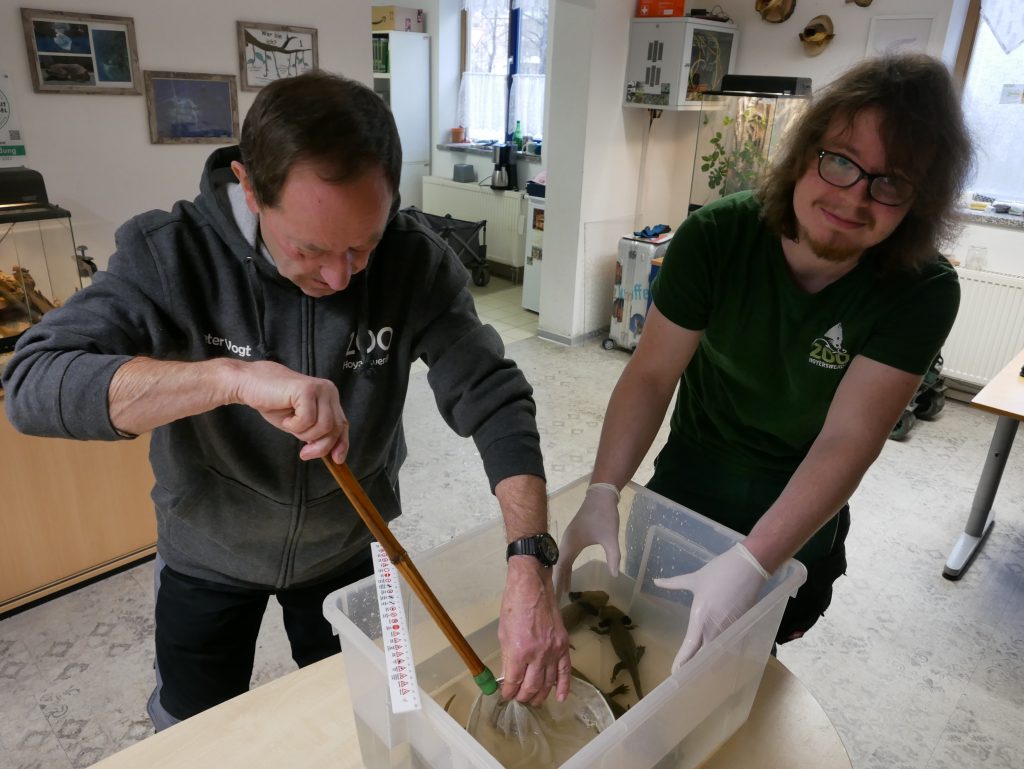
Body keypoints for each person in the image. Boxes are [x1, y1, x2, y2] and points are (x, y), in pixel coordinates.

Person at [3, 71, 570, 728]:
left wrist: (529, 558)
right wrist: (231, 379)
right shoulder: (171, 254)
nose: (339, 277)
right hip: (207, 550)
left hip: (351, 545)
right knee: (193, 728)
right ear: (250, 188)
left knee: (372, 714)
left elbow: (495, 396)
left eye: (363, 245)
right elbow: (33, 381)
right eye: (310, 248)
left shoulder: (414, 259)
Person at [553, 53, 974, 670]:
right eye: (841, 161)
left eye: (892, 182)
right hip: (685, 492)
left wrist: (755, 560)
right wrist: (603, 488)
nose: (855, 197)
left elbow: (849, 440)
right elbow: (651, 375)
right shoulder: (716, 238)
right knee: (651, 650)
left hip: (798, 517)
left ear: (919, 202)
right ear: (804, 153)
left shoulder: (923, 288)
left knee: (737, 672)